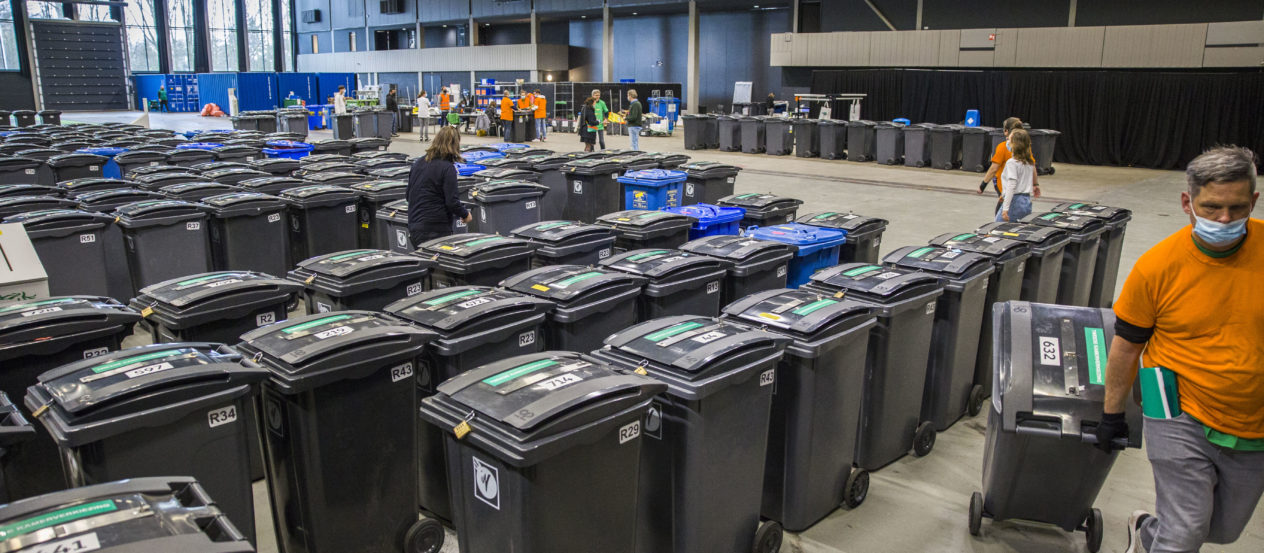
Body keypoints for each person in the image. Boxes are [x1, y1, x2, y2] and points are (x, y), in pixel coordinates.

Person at [1094, 145, 1263, 553]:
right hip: (1175, 405)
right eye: (1211, 208)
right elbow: (1126, 348)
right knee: (1185, 533)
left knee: (1221, 530)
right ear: (1187, 202)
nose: (1224, 219)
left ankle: (1148, 530)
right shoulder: (1157, 267)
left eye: (1237, 208)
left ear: (1254, 201)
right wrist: (1111, 413)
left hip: (1253, 422)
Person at [406, 126, 472, 246]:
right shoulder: (447, 168)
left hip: (414, 228)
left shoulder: (417, 163)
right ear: (454, 145)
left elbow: (408, 196)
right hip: (435, 230)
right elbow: (452, 202)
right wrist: (465, 214)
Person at [979, 117, 1039, 214]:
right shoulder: (1026, 148)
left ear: (1006, 131)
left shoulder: (1002, 147)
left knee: (1002, 213)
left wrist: (983, 185)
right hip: (1022, 189)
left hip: (1005, 186)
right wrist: (1035, 184)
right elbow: (1032, 167)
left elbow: (994, 169)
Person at [996, 129, 1035, 222]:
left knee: (997, 229)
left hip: (1014, 201)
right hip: (1026, 201)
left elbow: (1012, 185)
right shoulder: (1029, 163)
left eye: (1009, 139)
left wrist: (1005, 209)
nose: (1007, 141)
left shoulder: (1012, 163)